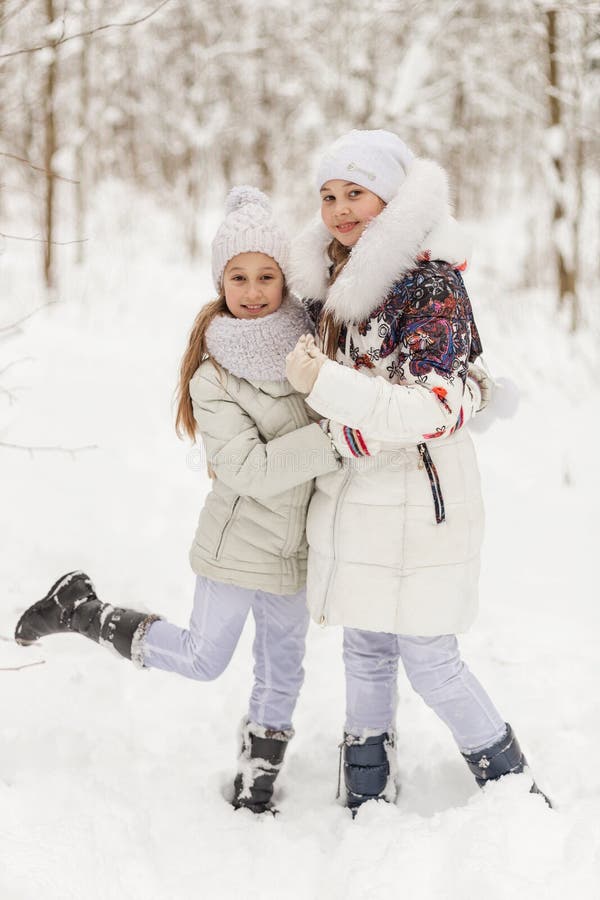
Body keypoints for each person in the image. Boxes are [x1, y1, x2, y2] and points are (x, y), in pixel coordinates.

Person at [14, 186, 345, 815]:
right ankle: (83, 610)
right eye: (238, 276)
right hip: (237, 545)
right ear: (220, 282)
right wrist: (335, 438)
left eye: (267, 276)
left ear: (285, 279)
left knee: (283, 670)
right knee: (202, 658)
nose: (253, 290)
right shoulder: (213, 373)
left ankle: (258, 782)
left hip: (299, 549)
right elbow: (247, 467)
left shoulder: (311, 345)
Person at [285, 130, 550, 813]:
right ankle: (367, 773)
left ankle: (507, 777)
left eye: (358, 193)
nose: (341, 209)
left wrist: (330, 395)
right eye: (329, 195)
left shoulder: (429, 283)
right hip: (355, 494)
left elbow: (428, 410)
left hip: (422, 496)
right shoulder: (328, 282)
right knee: (365, 645)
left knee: (431, 656)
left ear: (393, 198)